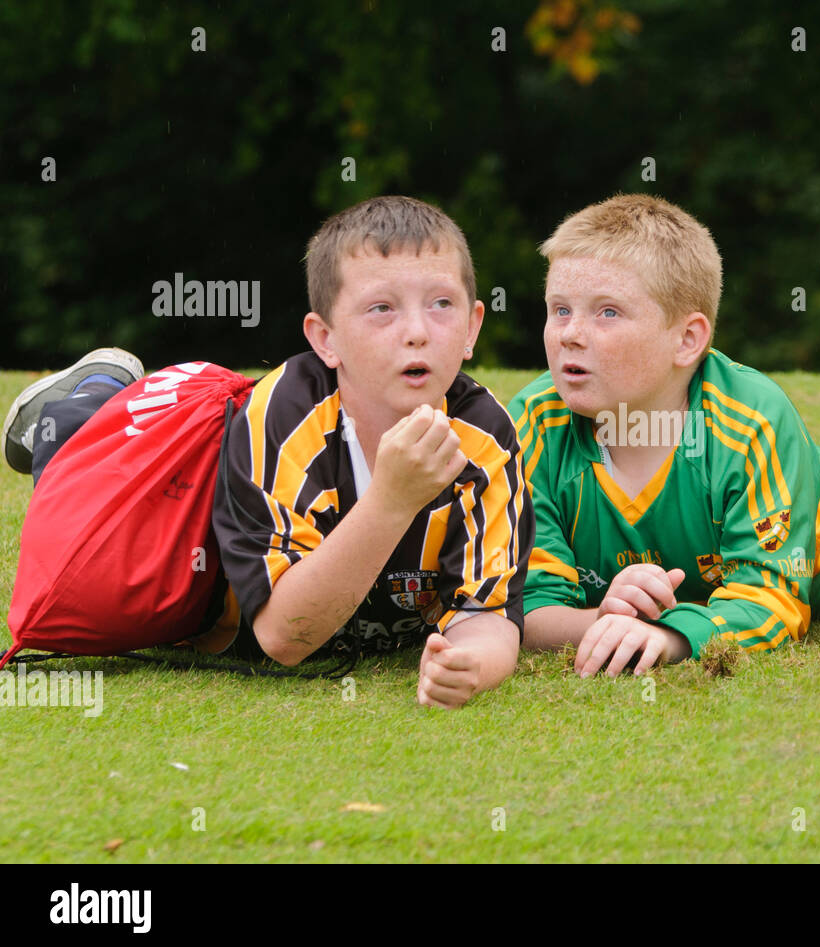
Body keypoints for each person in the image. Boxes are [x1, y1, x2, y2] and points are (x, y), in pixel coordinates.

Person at [4, 196, 533, 709]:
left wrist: (471, 664)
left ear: (472, 327)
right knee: (98, 574)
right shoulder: (283, 415)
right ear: (325, 340)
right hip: (207, 583)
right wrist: (392, 500)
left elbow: (488, 615)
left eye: (441, 304)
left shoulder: (485, 436)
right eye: (381, 309)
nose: (417, 332)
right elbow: (285, 637)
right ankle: (79, 411)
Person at [509, 194, 820, 677]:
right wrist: (602, 621)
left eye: (607, 312)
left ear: (688, 340)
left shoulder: (753, 421)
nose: (570, 334)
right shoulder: (531, 424)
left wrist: (668, 635)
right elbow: (530, 605)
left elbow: (771, 599)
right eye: (560, 310)